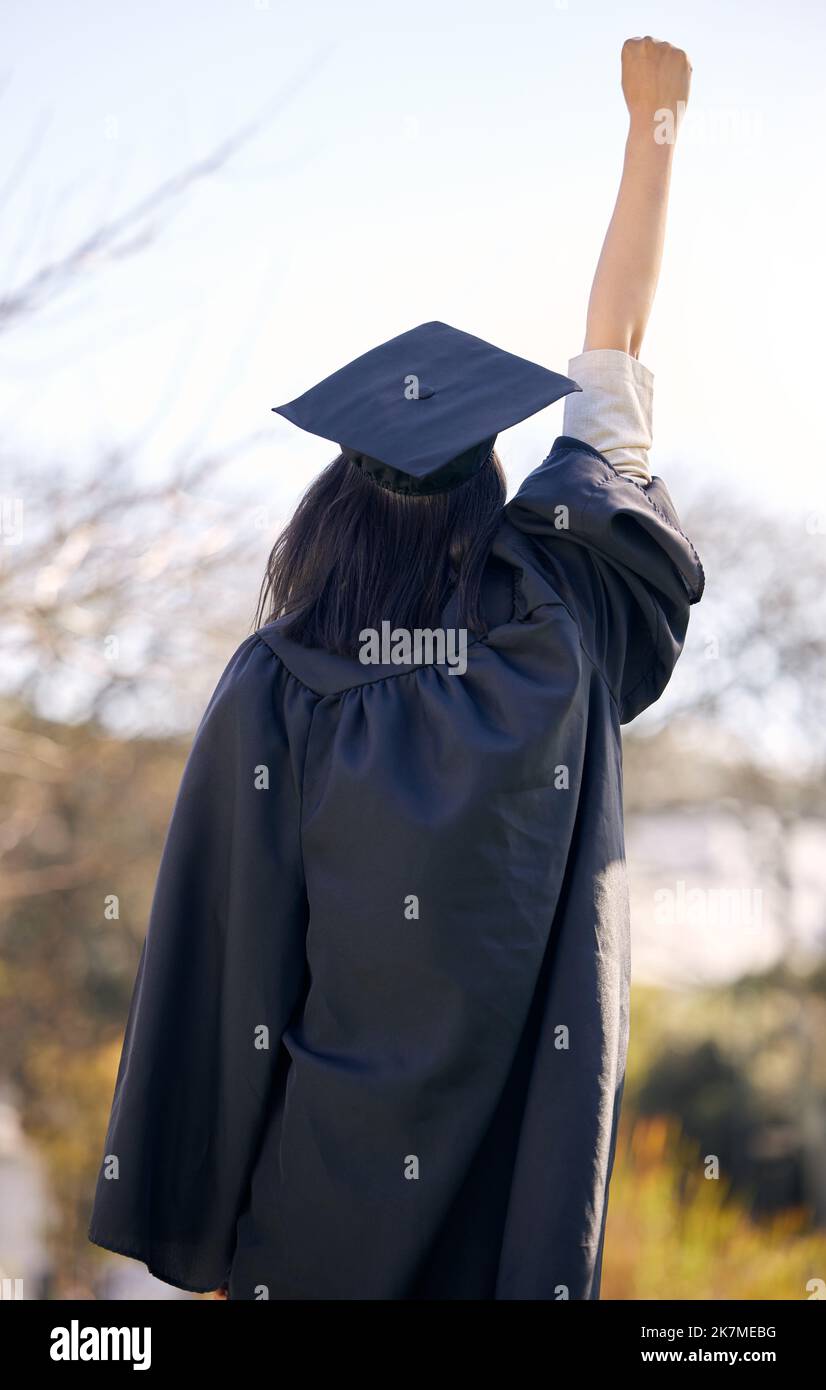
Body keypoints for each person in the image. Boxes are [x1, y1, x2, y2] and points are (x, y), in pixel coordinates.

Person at [89, 36, 701, 1301]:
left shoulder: (279, 681)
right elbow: (614, 359)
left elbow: (229, 959)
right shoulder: (564, 608)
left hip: (314, 1208)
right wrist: (657, 132)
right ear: (488, 480)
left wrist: (205, 1235)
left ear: (336, 497)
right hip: (519, 1199)